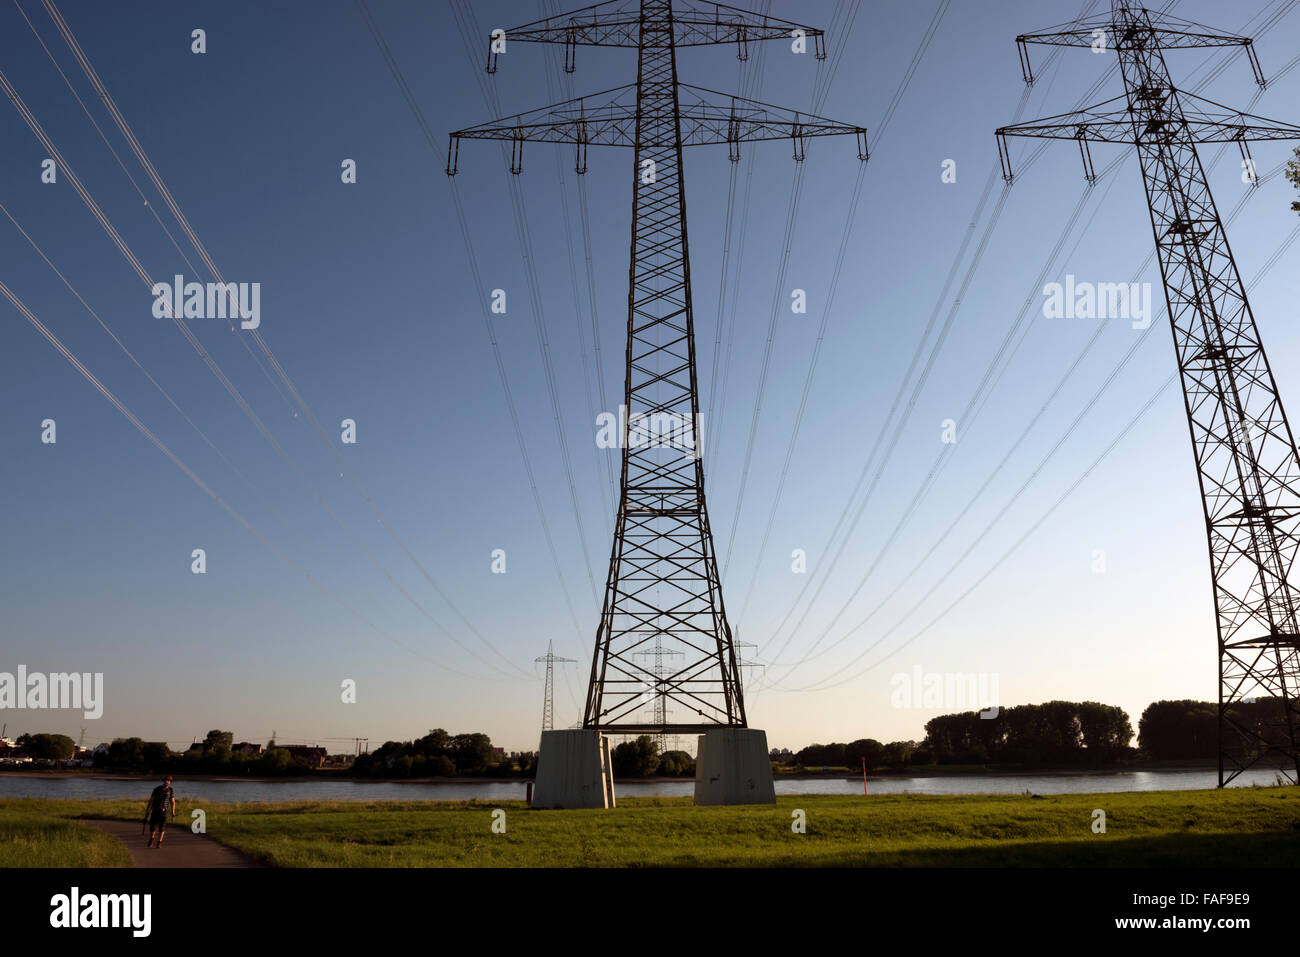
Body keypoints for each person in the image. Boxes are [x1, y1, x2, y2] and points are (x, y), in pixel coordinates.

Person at [143, 775, 175, 848]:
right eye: (166, 780)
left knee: (162, 827)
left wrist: (173, 812)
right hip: (155, 810)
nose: (167, 782)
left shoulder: (171, 790)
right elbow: (151, 800)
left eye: (168, 781)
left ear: (170, 782)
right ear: (163, 781)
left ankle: (159, 842)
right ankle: (152, 839)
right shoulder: (157, 789)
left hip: (164, 812)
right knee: (152, 827)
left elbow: (172, 802)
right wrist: (147, 810)